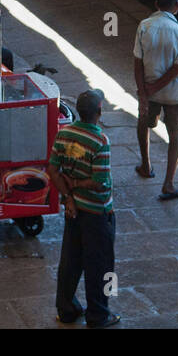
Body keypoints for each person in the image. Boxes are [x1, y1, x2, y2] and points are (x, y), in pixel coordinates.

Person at [49, 88, 118, 328]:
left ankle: (66, 309)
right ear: (99, 112)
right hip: (97, 213)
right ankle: (99, 315)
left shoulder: (64, 133)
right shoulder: (100, 141)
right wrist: (79, 184)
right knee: (101, 265)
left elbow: (53, 169)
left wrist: (68, 197)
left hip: (73, 209)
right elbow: (101, 183)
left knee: (70, 260)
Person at [133, 0, 178, 201]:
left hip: (148, 89)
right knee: (175, 134)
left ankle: (146, 166)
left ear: (156, 4)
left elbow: (137, 62)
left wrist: (144, 92)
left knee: (143, 122)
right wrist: (155, 88)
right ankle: (168, 183)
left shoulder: (144, 26)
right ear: (177, 7)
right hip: (174, 94)